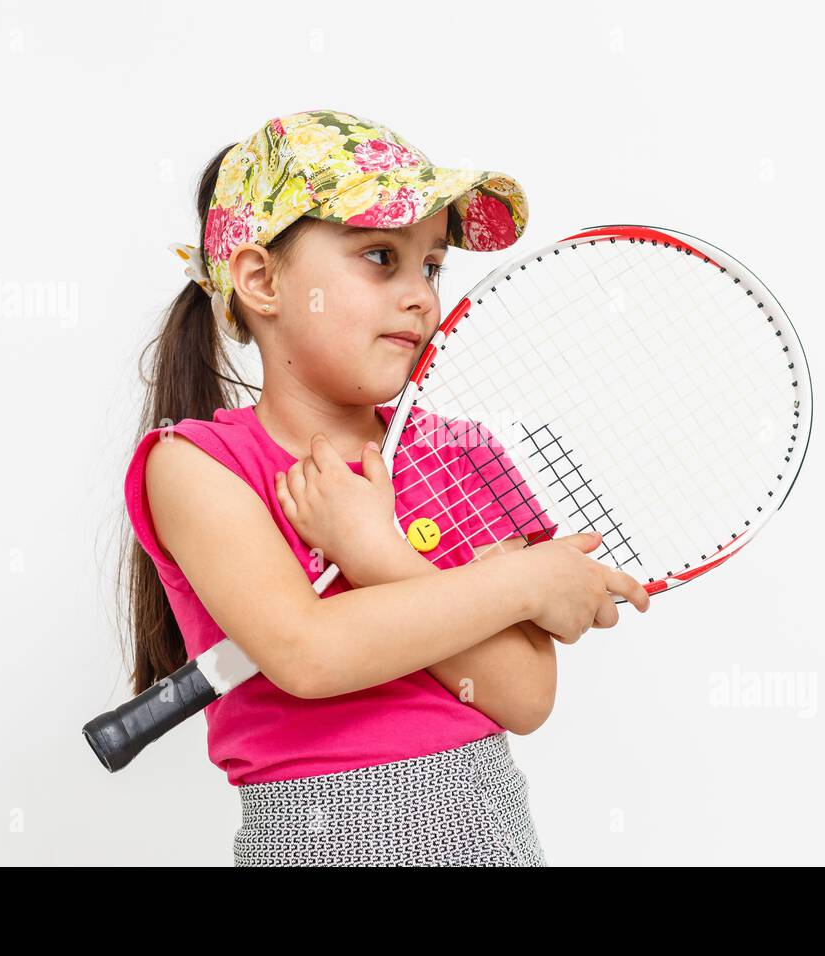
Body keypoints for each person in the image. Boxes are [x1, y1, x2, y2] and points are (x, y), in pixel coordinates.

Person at [119, 108, 650, 866]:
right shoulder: (197, 466)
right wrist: (520, 583)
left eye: (431, 265)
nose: (421, 297)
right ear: (263, 280)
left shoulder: (460, 454)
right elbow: (307, 655)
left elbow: (523, 697)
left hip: (493, 841)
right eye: (379, 257)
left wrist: (383, 556)